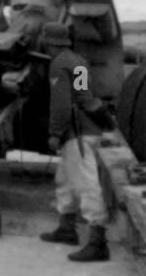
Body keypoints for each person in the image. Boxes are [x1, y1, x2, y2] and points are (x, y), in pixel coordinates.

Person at [39, 23, 116, 262]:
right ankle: (66, 228)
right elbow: (85, 96)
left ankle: (98, 242)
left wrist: (54, 132)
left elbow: (61, 104)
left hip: (76, 132)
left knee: (85, 184)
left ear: (49, 42)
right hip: (90, 128)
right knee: (65, 179)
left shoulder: (58, 64)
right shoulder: (78, 61)